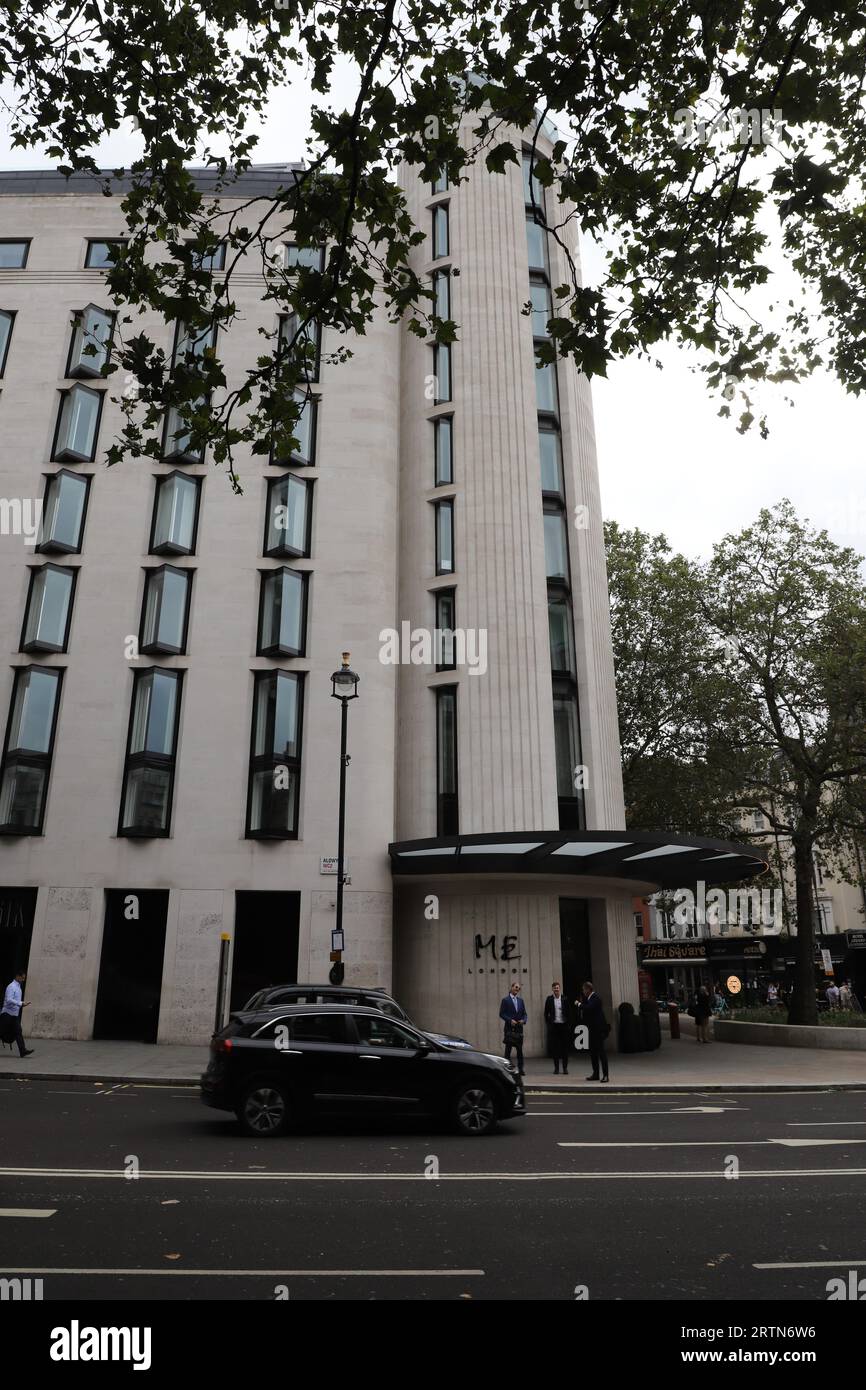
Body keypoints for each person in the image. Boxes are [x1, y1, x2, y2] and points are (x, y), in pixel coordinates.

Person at [578, 981, 609, 1082]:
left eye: (583, 989)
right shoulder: (589, 998)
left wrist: (579, 1004)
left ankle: (605, 1075)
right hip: (591, 1029)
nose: (583, 991)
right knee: (593, 1053)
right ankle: (595, 1074)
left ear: (588, 989)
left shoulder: (595, 998)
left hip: (598, 1030)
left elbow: (588, 1008)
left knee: (601, 1052)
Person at [1, 971, 34, 1058]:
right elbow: (9, 1000)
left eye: (24, 978)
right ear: (17, 976)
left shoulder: (18, 987)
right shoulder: (11, 986)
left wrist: (21, 1004)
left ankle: (22, 1051)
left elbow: (16, 1002)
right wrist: (20, 1003)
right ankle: (22, 1050)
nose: (23, 979)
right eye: (22, 978)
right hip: (7, 1014)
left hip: (14, 1015)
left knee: (18, 1032)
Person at [543, 981, 572, 1075]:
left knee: (564, 1048)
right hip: (554, 1026)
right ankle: (556, 1068)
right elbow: (546, 1013)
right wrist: (549, 1023)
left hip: (563, 1026)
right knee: (555, 1048)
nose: (556, 989)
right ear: (552, 989)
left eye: (557, 988)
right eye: (554, 988)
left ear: (560, 989)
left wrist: (568, 1024)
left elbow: (569, 1012)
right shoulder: (549, 999)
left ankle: (565, 1068)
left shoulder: (565, 999)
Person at [499, 981, 527, 1074]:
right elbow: (501, 1014)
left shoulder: (521, 1001)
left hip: (519, 1029)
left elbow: (524, 1014)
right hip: (509, 1029)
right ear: (511, 987)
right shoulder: (505, 1000)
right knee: (508, 1050)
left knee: (519, 1051)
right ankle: (506, 1069)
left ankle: (521, 1069)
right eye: (516, 987)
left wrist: (524, 1020)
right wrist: (510, 1020)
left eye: (518, 988)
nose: (517, 989)